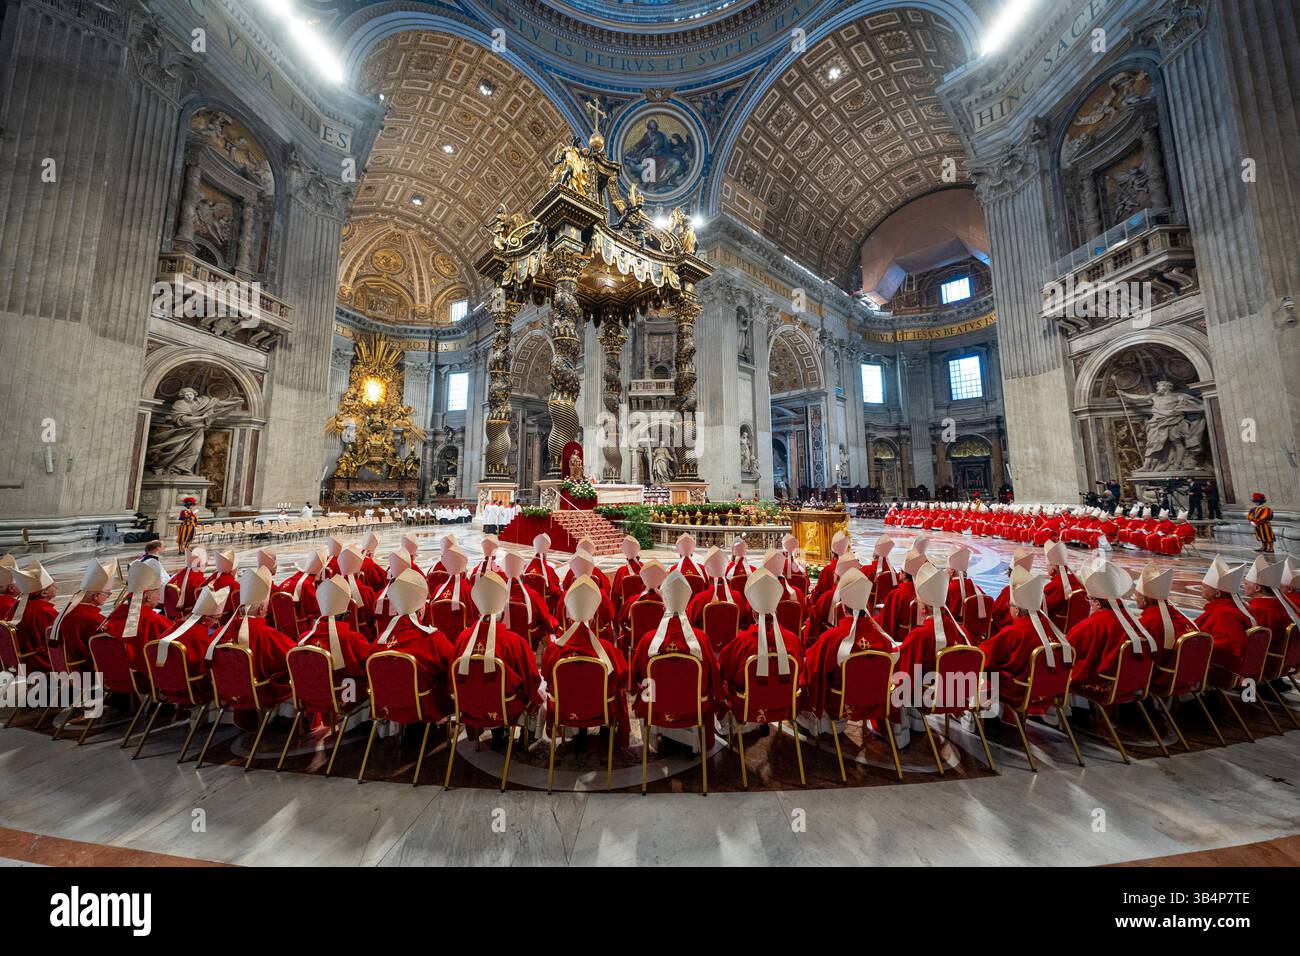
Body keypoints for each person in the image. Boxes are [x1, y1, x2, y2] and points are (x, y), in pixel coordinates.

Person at [540, 575, 631, 749]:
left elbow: (546, 676)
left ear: (569, 617)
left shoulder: (553, 650)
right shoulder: (608, 649)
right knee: (615, 691)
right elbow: (622, 676)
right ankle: (606, 731)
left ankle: (579, 733)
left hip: (564, 708)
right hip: (601, 709)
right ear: (592, 618)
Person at [719, 569, 805, 713]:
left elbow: (723, 669)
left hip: (747, 704)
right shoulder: (793, 640)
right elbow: (800, 670)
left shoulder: (742, 641)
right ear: (777, 610)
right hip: (785, 702)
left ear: (753, 613)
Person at [1067, 558, 1156, 685]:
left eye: (1089, 599)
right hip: (1131, 681)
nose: (1089, 603)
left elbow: (1067, 652)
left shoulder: (1092, 625)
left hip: (1104, 682)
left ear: (1097, 603)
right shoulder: (1132, 619)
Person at [981, 567, 1074, 688]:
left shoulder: (1013, 632)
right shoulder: (1051, 627)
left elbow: (983, 656)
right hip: (1045, 688)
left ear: (1017, 610)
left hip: (1018, 689)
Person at [202, 567, 296, 680]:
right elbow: (294, 657)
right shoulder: (267, 634)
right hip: (260, 692)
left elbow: (207, 665)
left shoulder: (219, 632)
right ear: (261, 609)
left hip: (225, 691)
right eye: (266, 606)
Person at [302, 576, 378, 680]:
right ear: (346, 614)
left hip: (310, 693)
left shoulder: (303, 639)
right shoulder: (353, 638)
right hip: (351, 693)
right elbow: (370, 664)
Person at [103, 560, 171, 671]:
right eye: (158, 593)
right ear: (148, 597)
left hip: (117, 676)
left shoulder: (112, 617)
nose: (159, 598)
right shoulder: (152, 620)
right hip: (147, 677)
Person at [47, 560, 117, 666]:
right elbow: (106, 651)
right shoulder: (92, 620)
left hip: (67, 667)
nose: (109, 596)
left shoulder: (67, 611)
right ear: (95, 596)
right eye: (108, 593)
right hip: (88, 670)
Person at [1195, 558, 1253, 673]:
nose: (1201, 589)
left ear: (1217, 593)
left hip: (1219, 668)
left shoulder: (1223, 613)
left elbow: (1228, 646)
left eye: (1205, 587)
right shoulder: (1236, 606)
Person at [153, 586, 228, 671]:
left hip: (162, 674)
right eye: (216, 619)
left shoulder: (178, 624)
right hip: (187, 679)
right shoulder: (199, 635)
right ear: (205, 620)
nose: (215, 622)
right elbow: (205, 665)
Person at [1132, 562, 1193, 667]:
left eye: (1136, 595)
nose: (1134, 598)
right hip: (1183, 669)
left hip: (1160, 674)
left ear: (1145, 599)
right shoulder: (1174, 612)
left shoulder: (1149, 621)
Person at [10, 561, 57, 671]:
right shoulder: (45, 612)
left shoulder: (17, 605)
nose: (56, 586)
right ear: (44, 593)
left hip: (22, 660)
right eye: (52, 585)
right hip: (41, 661)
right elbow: (58, 642)